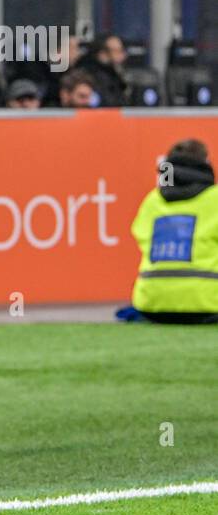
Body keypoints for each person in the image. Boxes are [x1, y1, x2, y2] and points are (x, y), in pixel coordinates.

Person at [130, 139, 218, 324]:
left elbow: (140, 236)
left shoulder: (152, 201)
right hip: (208, 303)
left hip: (152, 304)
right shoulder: (214, 198)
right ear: (206, 164)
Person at [74, 34, 128, 108]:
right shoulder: (88, 75)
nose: (122, 55)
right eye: (117, 51)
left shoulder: (114, 75)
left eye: (122, 50)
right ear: (102, 54)